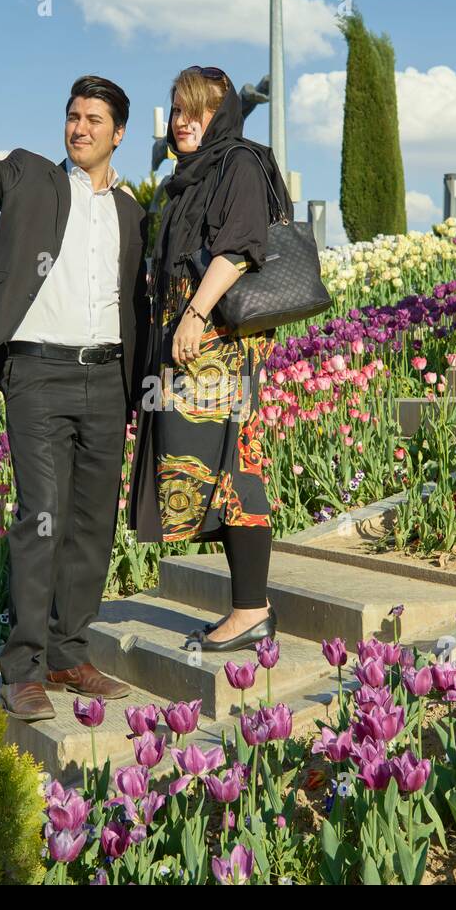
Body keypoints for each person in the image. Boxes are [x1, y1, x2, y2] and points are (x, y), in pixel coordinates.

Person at [0, 24, 151, 723]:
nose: (79, 127)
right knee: (42, 519)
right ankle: (22, 665)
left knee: (90, 525)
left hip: (107, 380)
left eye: (94, 120)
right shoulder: (29, 177)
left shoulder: (132, 212)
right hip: (38, 375)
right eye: (73, 115)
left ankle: (68, 651)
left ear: (118, 134)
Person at [127, 66, 290, 653]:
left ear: (220, 117)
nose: (182, 121)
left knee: (234, 468)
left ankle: (251, 610)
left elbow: (242, 246)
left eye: (195, 110)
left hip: (216, 338)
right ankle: (248, 607)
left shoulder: (237, 162)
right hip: (191, 342)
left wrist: (194, 314)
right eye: (175, 110)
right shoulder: (185, 178)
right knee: (219, 471)